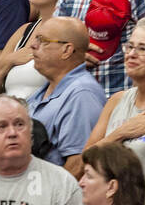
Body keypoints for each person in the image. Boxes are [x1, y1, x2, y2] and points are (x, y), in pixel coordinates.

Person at [26, 17, 108, 171]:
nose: (33, 45)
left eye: (43, 40)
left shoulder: (82, 94)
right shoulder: (45, 89)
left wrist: (49, 195)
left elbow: (80, 163)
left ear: (67, 50)